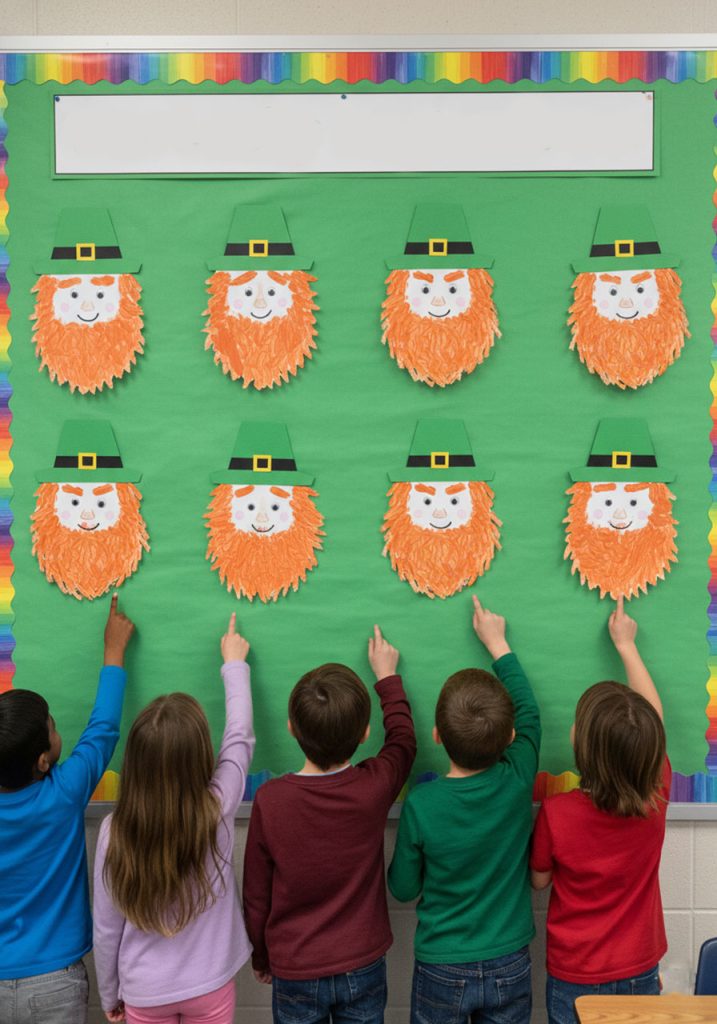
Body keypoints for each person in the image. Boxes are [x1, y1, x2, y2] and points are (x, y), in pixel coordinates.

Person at [243, 625, 416, 1024]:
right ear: (365, 734)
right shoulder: (372, 786)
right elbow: (403, 743)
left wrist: (261, 954)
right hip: (364, 961)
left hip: (295, 966)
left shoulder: (271, 801)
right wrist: (388, 679)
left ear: (291, 728)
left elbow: (256, 895)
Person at [93, 613, 255, 1024]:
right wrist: (234, 663)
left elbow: (107, 927)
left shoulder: (116, 831)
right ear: (201, 756)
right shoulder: (216, 808)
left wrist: (110, 994)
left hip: (144, 991)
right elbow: (239, 737)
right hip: (210, 986)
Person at [388, 595, 541, 1024]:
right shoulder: (516, 780)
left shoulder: (422, 805)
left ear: (436, 735)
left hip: (442, 964)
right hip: (509, 958)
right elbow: (531, 715)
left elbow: (402, 889)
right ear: (510, 736)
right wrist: (499, 645)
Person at [530, 596, 669, 1024]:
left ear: (582, 748)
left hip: (576, 975)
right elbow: (655, 724)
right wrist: (627, 646)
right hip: (639, 969)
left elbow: (538, 882)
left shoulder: (557, 812)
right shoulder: (655, 796)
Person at [0, 593, 135, 1024]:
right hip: (56, 979)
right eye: (53, 728)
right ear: (43, 760)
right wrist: (113, 651)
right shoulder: (63, 794)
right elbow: (103, 730)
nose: (59, 730)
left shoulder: (60, 790)